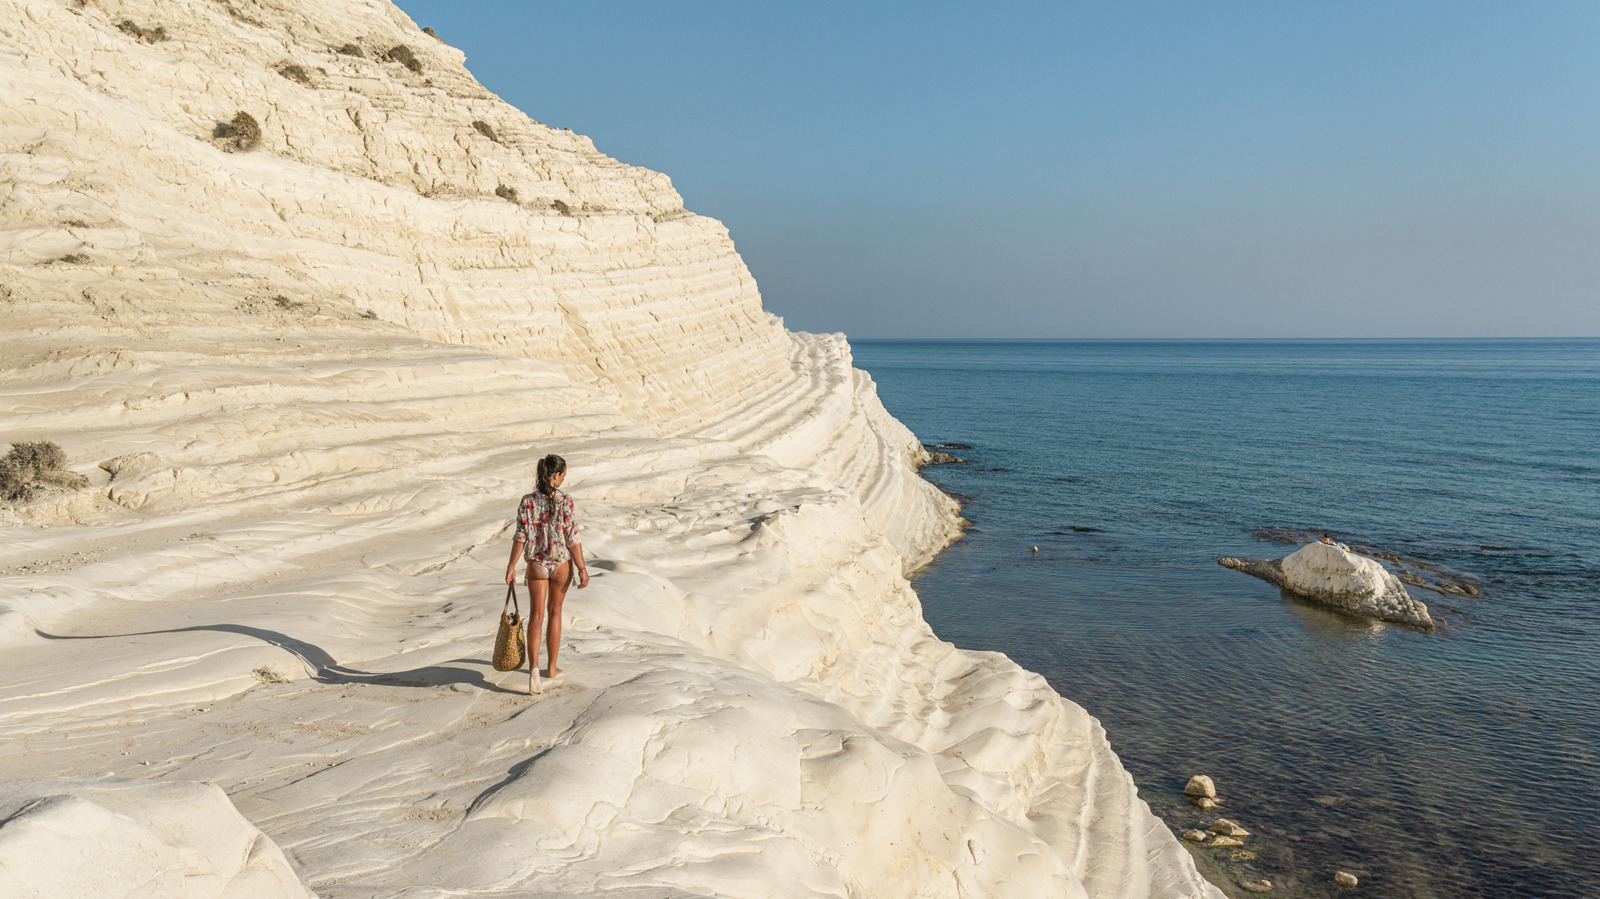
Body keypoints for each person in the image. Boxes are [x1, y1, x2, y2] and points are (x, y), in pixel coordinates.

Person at [505, 454, 588, 693]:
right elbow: (572, 537)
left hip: (537, 564)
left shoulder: (527, 501)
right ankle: (551, 668)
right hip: (561, 563)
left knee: (536, 615)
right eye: (563, 475)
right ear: (555, 475)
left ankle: (533, 670)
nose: (563, 479)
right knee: (555, 613)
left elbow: (520, 536)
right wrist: (582, 568)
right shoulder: (565, 501)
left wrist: (511, 566)